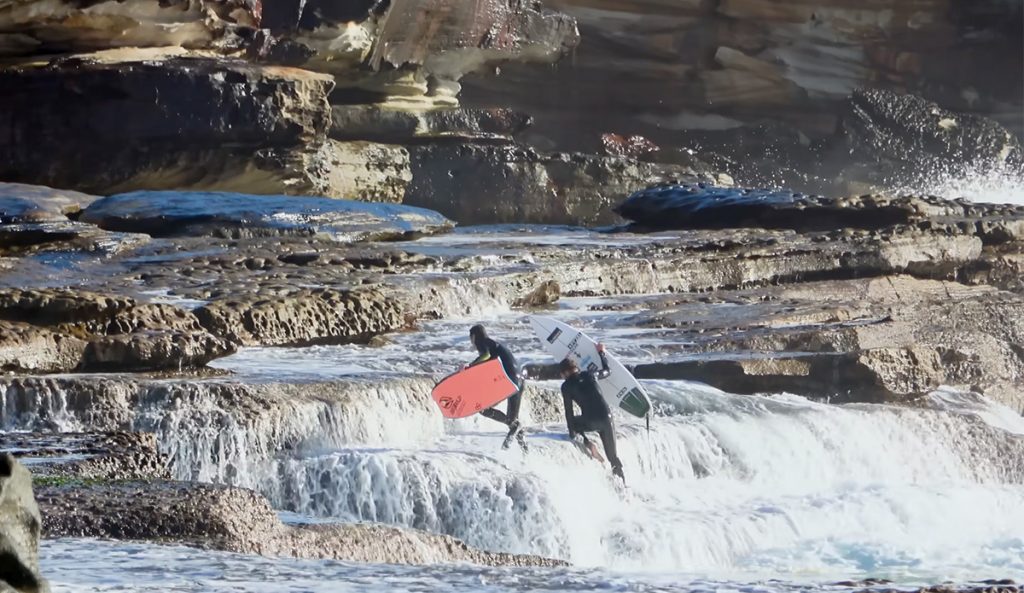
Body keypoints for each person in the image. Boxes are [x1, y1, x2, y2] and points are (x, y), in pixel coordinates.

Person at [559, 343, 624, 483]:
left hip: (590, 420)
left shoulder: (566, 386)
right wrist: (601, 353)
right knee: (613, 457)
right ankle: (623, 488)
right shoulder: (590, 374)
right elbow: (607, 371)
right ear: (576, 367)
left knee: (574, 423)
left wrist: (573, 434)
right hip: (607, 418)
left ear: (564, 373)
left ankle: (589, 444)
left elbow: (569, 413)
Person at [468, 324, 528, 451]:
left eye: (471, 338)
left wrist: (471, 365)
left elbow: (485, 356)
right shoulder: (493, 344)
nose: (471, 342)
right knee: (512, 420)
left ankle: (514, 432)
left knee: (484, 409)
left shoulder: (482, 342)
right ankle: (525, 450)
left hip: (510, 381)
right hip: (518, 380)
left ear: (474, 336)